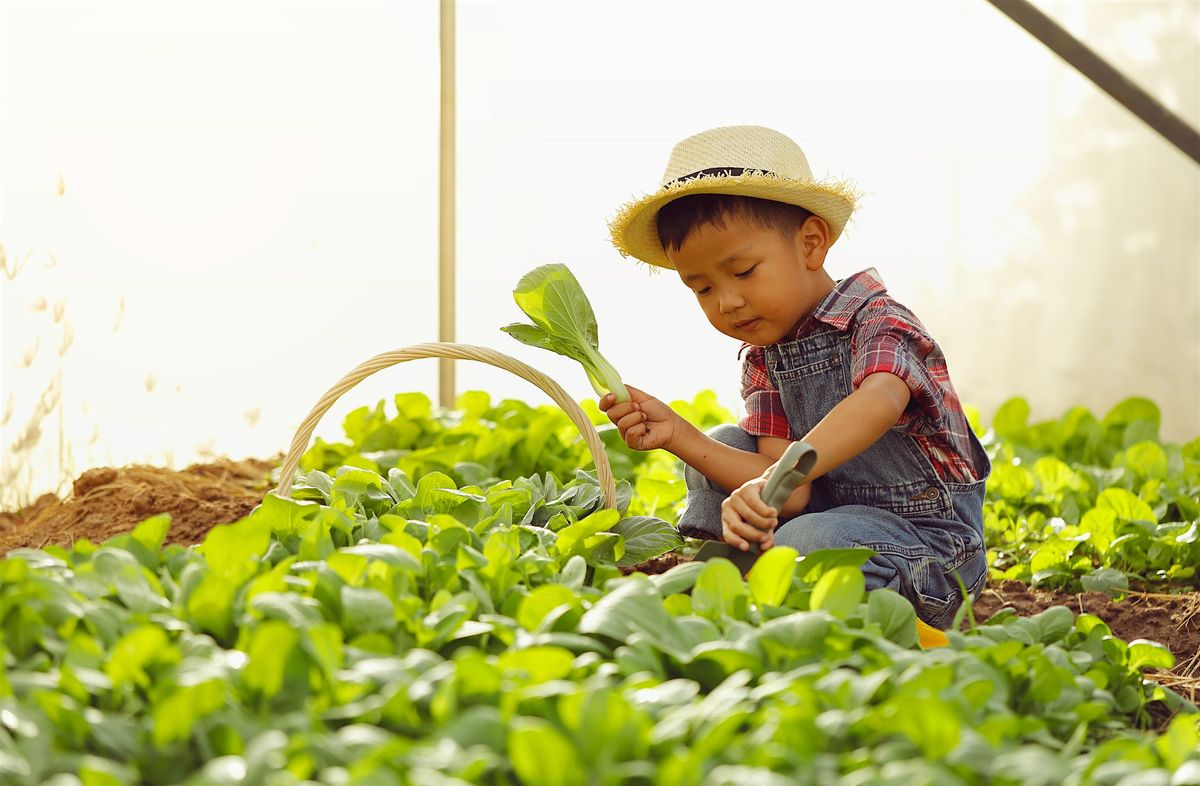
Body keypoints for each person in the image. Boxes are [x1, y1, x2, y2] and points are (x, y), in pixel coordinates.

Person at [599, 125, 991, 629]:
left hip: (931, 551)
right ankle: (735, 573)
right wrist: (678, 435)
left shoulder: (876, 320)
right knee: (723, 443)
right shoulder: (764, 357)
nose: (727, 301)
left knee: (801, 544)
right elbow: (794, 497)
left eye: (742, 272)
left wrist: (777, 478)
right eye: (701, 288)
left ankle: (780, 583)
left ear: (810, 243)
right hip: (830, 519)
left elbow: (880, 400)